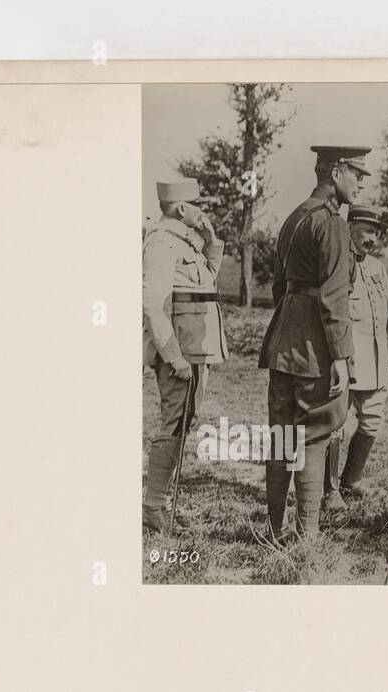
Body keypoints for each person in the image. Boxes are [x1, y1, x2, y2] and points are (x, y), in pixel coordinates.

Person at [258, 145, 370, 541]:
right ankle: (308, 540)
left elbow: (278, 285)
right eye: (357, 173)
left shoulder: (294, 217)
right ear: (336, 172)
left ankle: (272, 532)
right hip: (315, 349)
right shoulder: (333, 224)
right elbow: (336, 296)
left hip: (283, 341)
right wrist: (340, 356)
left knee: (282, 435)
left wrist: (293, 320)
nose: (361, 182)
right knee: (315, 434)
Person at [141, 178, 226, 533]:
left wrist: (212, 243)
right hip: (179, 354)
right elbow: (152, 303)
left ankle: (160, 503)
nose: (203, 209)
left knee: (183, 422)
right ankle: (154, 506)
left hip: (195, 352)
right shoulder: (162, 242)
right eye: (197, 204)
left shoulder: (185, 241)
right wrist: (174, 357)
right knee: (173, 425)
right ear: (180, 208)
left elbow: (206, 284)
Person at [323, 204, 388, 509]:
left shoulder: (377, 268)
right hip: (344, 359)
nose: (373, 239)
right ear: (350, 226)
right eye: (368, 230)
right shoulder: (335, 261)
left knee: (372, 421)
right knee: (335, 425)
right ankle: (329, 492)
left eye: (377, 233)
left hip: (376, 359)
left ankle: (352, 480)